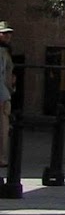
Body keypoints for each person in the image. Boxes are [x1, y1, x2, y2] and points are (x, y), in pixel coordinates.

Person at [0, 22, 13, 167]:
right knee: (3, 128)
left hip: (4, 92)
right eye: (4, 33)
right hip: (2, 95)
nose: (8, 36)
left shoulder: (6, 51)